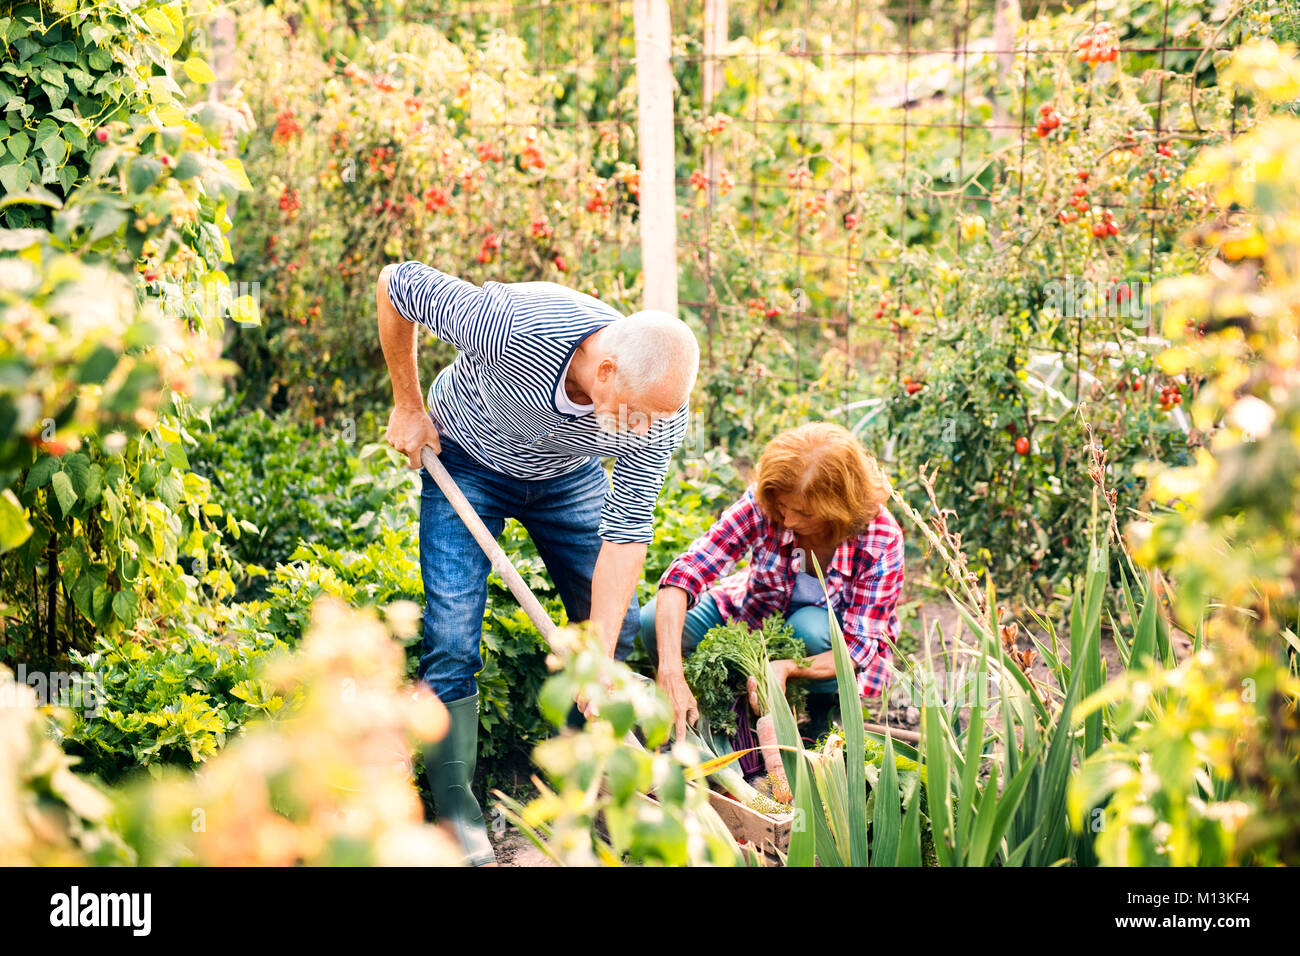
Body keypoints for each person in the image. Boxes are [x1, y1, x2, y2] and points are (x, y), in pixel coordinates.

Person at [377, 260, 699, 865]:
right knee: (450, 636)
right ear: (604, 373)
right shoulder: (510, 325)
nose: (648, 432)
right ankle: (458, 817)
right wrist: (406, 403)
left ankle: (571, 794)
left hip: (566, 476)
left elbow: (626, 533)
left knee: (614, 624)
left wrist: (598, 660)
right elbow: (396, 284)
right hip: (468, 460)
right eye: (638, 417)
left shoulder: (657, 410)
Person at [641, 422, 904, 744]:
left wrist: (787, 667)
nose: (789, 521)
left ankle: (822, 712)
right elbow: (685, 574)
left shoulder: (879, 537)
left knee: (809, 628)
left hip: (821, 645)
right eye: (782, 507)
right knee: (653, 620)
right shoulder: (763, 504)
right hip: (754, 616)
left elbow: (857, 648)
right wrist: (670, 670)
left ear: (839, 507)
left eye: (804, 513)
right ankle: (707, 703)